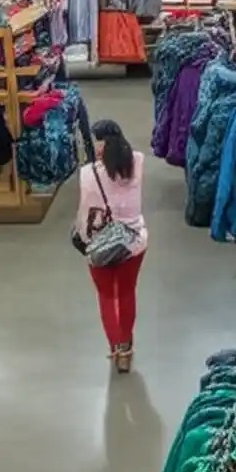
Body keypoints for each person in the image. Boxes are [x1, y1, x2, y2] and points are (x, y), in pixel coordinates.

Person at [75, 120, 148, 373]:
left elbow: (85, 214)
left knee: (106, 296)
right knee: (127, 292)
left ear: (101, 145)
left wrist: (84, 241)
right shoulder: (138, 162)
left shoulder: (87, 174)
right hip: (134, 242)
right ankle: (127, 349)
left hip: (102, 243)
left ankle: (115, 348)